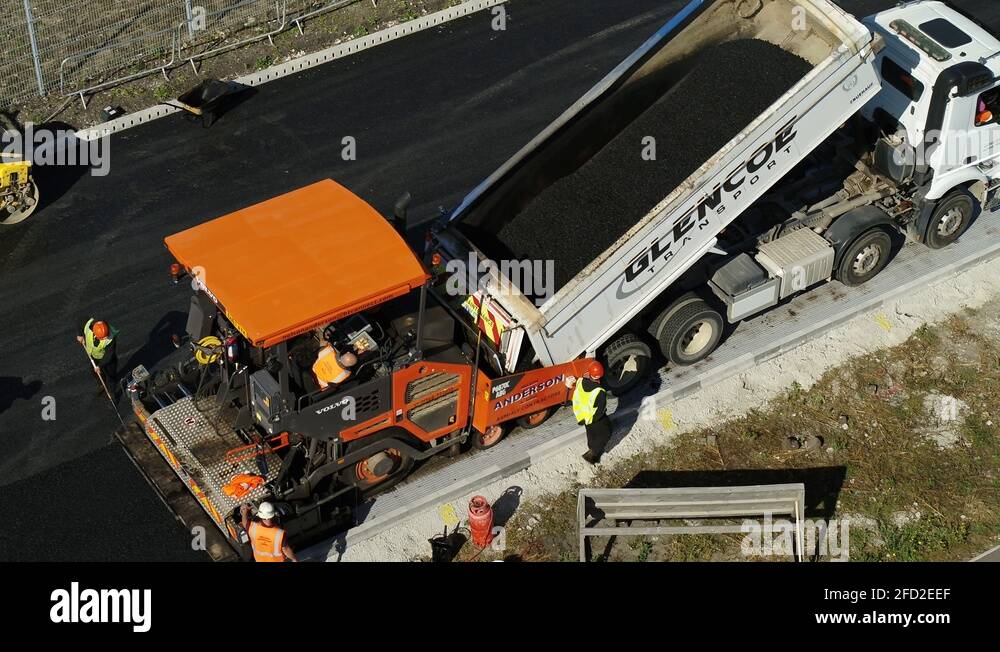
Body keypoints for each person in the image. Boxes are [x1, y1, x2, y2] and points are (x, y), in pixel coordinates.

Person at [568, 361, 611, 465]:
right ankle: (593, 455)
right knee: (605, 434)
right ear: (600, 376)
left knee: (591, 433)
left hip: (583, 417)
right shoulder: (599, 391)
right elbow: (601, 410)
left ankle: (591, 448)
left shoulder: (581, 381)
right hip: (594, 418)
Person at [76, 318, 118, 392]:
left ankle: (112, 392)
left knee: (111, 375)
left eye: (106, 335)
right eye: (103, 337)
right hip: (94, 357)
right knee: (95, 372)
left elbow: (109, 355)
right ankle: (102, 384)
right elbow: (80, 321)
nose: (106, 338)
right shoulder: (89, 325)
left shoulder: (110, 339)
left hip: (108, 359)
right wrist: (80, 334)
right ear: (94, 332)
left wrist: (100, 365)